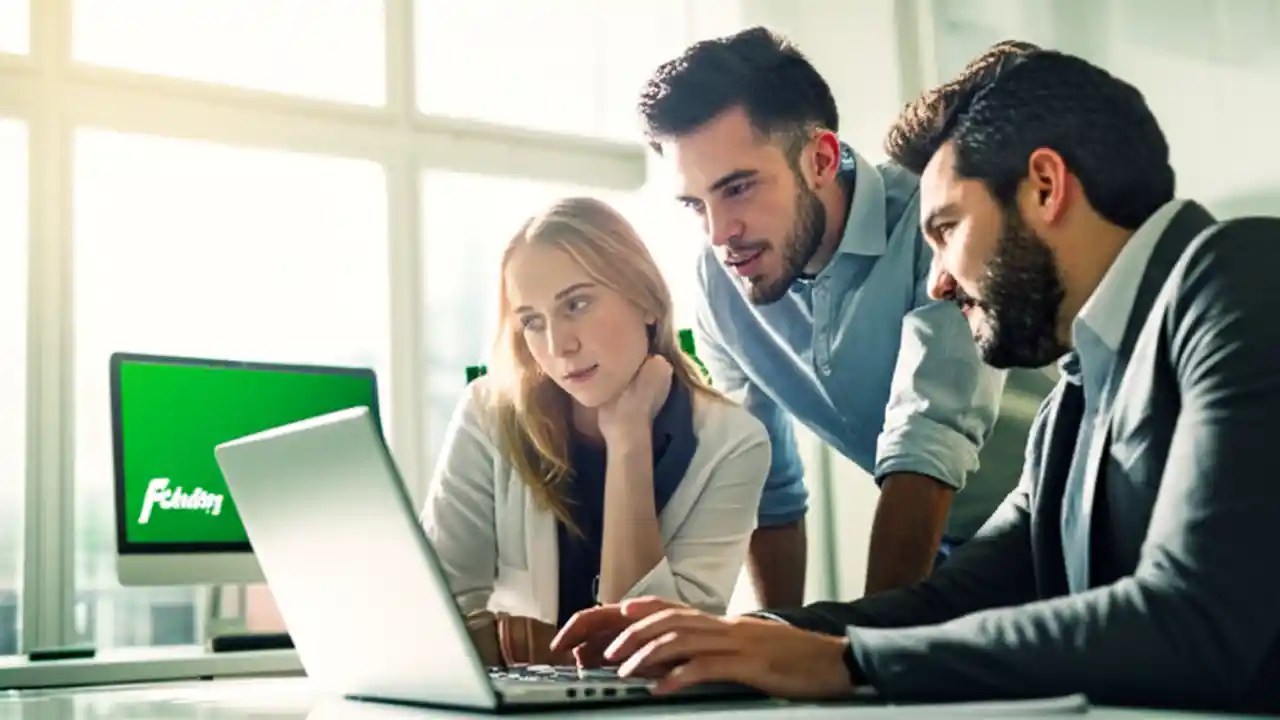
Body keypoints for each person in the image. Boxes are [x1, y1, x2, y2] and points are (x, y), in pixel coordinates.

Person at [550, 45, 1280, 713]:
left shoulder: (1239, 274)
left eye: (947, 229)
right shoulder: (1076, 397)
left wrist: (847, 664)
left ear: (1045, 187)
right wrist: (747, 639)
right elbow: (949, 600)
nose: (935, 283)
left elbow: (1196, 620)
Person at [639, 26, 1016, 602]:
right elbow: (766, 479)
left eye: (738, 188)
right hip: (944, 550)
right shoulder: (719, 282)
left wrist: (854, 650)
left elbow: (926, 438)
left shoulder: (934, 220)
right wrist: (777, 645)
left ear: (820, 158)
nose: (720, 234)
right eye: (696, 204)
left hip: (1072, 523)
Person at [420, 197, 770, 664]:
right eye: (532, 322)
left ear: (646, 300)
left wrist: (628, 440)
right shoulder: (490, 412)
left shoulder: (733, 443)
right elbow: (439, 608)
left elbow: (654, 649)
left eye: (577, 304)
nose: (558, 345)